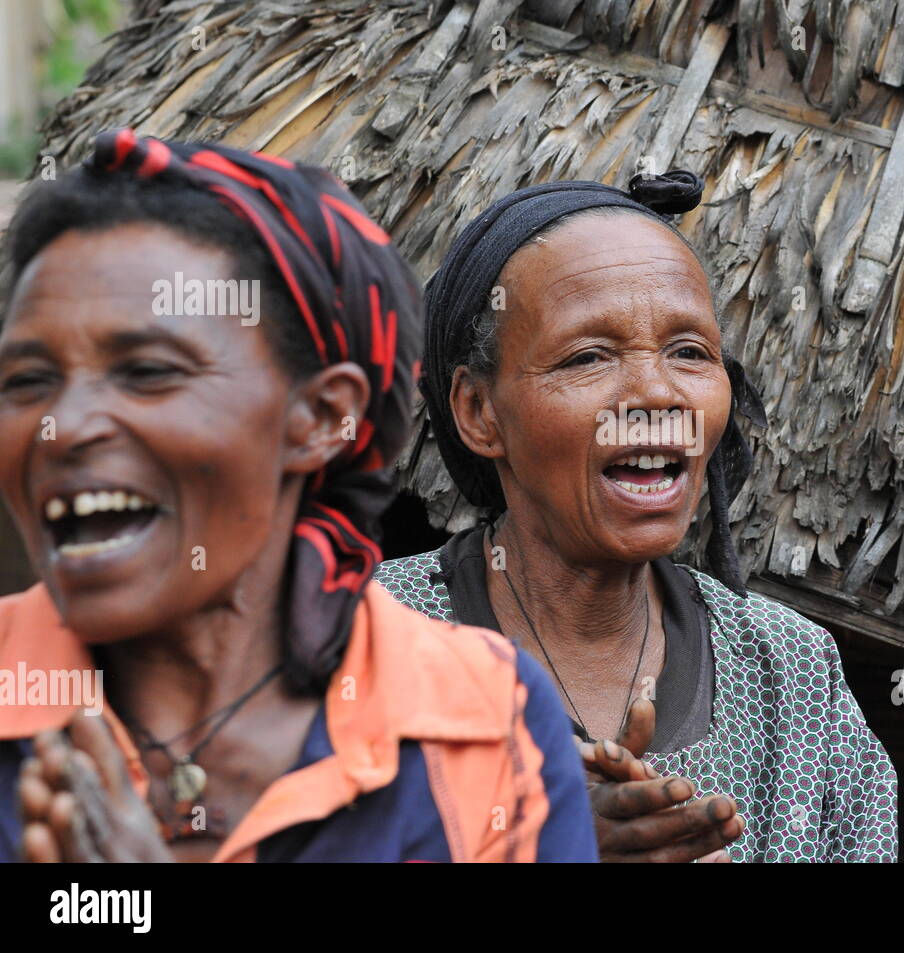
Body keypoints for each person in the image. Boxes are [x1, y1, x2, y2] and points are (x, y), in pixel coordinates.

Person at [0, 129, 597, 862]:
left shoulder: (483, 722)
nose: (65, 428)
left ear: (319, 419)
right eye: (27, 381)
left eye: (148, 371)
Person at [374, 171, 897, 862]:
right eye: (588, 356)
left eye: (689, 352)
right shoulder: (357, 641)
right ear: (479, 410)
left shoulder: (794, 673)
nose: (657, 392)